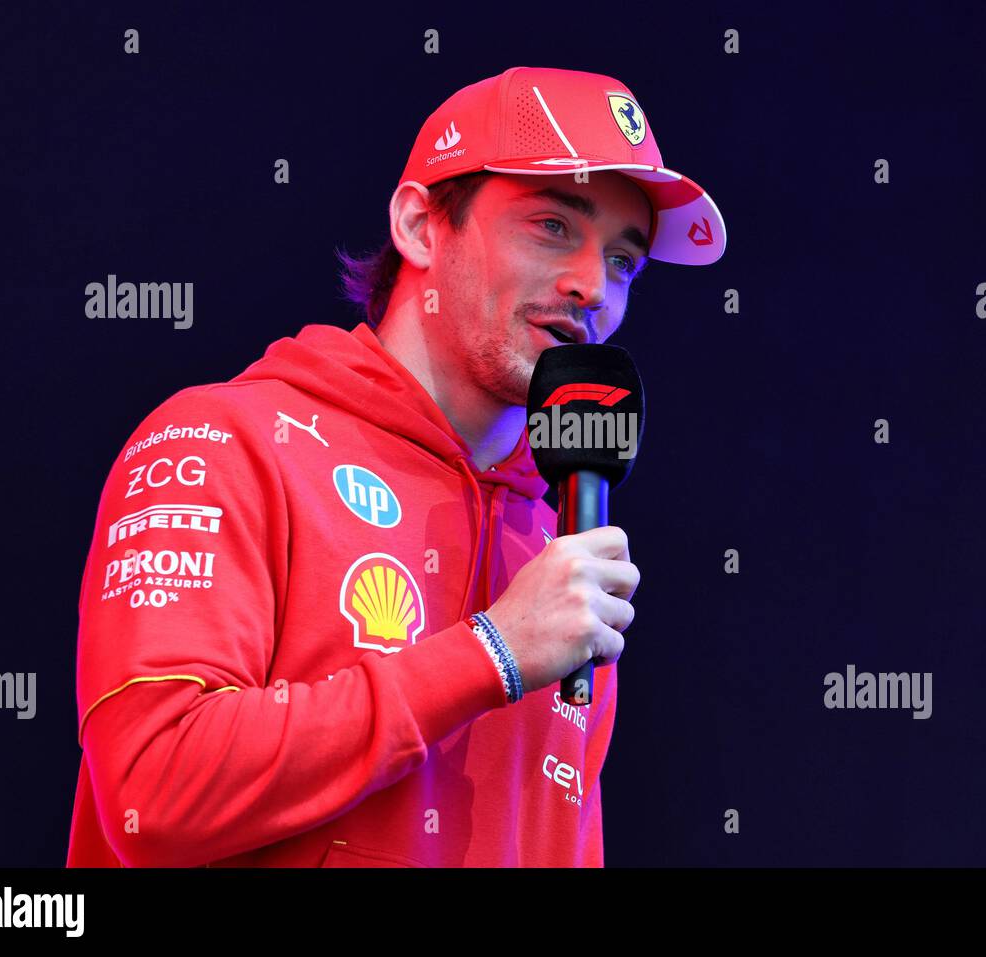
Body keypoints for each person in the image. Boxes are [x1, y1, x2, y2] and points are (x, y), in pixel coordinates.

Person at [65, 65, 726, 867]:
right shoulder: (222, 442)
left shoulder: (559, 536)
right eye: (553, 225)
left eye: (624, 261)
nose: (594, 288)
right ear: (420, 226)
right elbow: (153, 791)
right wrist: (488, 653)